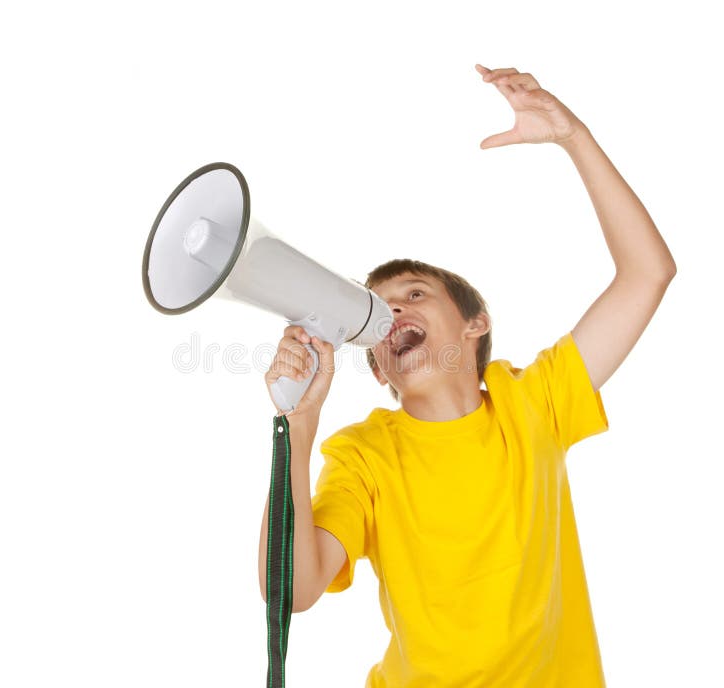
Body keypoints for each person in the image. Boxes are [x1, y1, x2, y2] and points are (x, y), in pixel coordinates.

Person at [258, 63, 677, 687]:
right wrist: (299, 425)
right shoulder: (365, 457)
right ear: (376, 364)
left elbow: (649, 273)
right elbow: (291, 592)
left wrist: (573, 137)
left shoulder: (533, 402)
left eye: (414, 294)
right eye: (377, 312)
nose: (394, 313)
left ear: (474, 323)